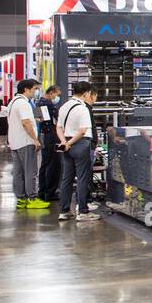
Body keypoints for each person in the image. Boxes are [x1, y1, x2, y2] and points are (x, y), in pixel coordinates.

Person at [57, 81, 99, 223]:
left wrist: (64, 142)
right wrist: (70, 143)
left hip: (67, 145)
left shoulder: (64, 106)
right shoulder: (82, 109)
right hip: (80, 144)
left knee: (67, 179)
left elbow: (58, 128)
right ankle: (83, 212)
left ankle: (64, 211)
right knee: (82, 178)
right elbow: (83, 131)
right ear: (86, 93)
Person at [7, 79, 48, 210]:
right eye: (35, 89)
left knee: (18, 172)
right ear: (26, 89)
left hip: (15, 142)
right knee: (31, 171)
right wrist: (35, 140)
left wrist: (34, 119)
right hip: (26, 142)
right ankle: (32, 198)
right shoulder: (24, 104)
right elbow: (25, 123)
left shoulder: (13, 102)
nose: (36, 92)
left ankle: (21, 199)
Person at [36, 85, 63, 201]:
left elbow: (40, 120)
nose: (57, 98)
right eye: (57, 95)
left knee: (45, 164)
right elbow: (49, 121)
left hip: (44, 135)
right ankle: (50, 192)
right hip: (51, 136)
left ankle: (42, 191)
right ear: (51, 93)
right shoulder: (47, 104)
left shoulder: (39, 102)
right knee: (54, 164)